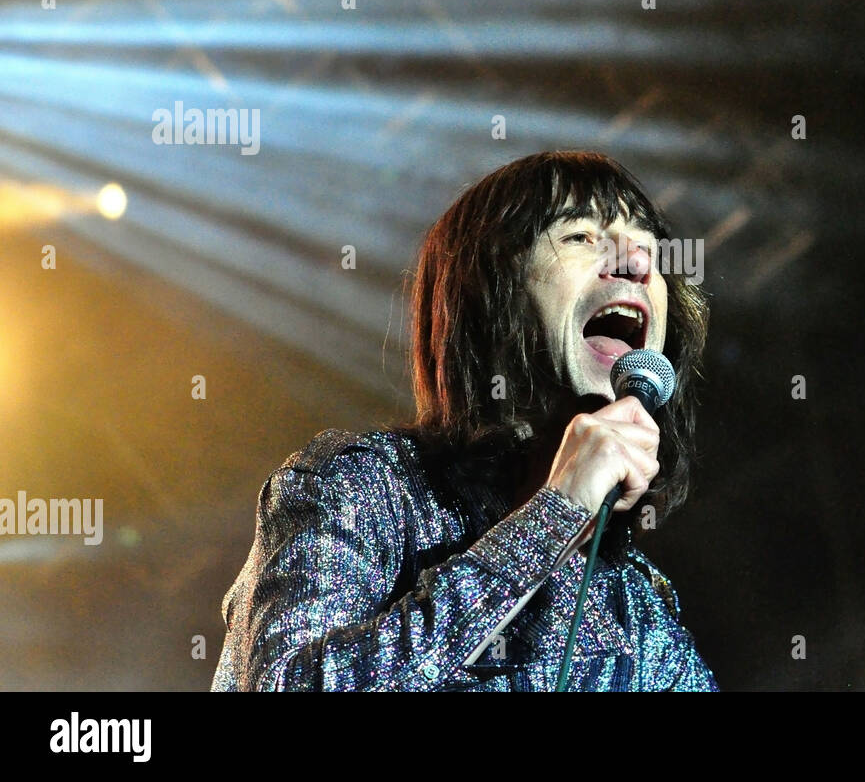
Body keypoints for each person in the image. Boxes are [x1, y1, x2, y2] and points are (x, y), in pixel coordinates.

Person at [211, 151, 718, 691]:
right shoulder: (367, 492)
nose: (635, 263)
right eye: (581, 237)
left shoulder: (634, 610)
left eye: (645, 246)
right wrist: (555, 514)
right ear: (490, 290)